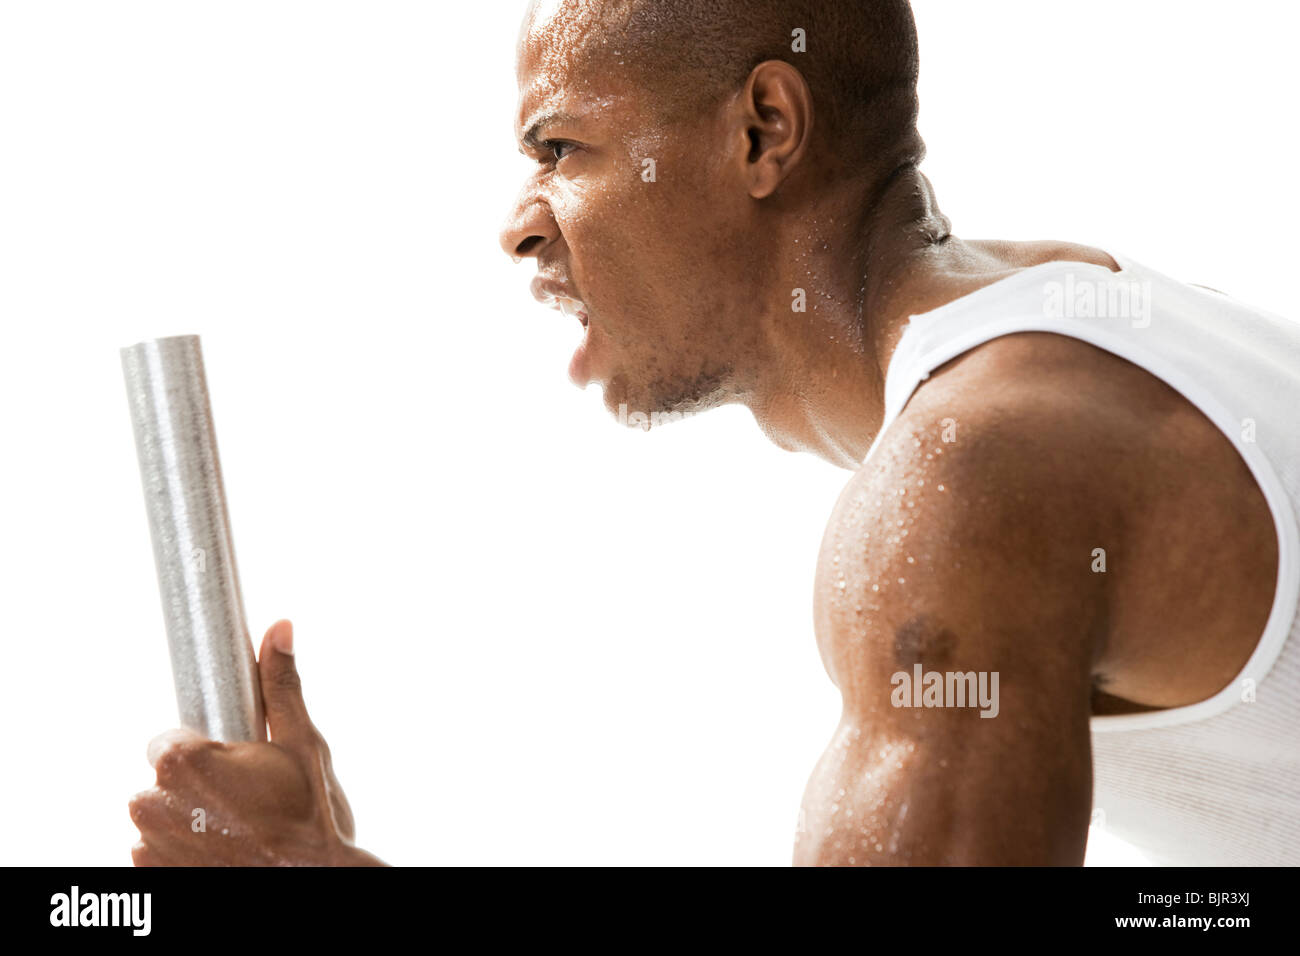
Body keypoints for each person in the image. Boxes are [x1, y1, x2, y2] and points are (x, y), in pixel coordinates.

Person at [130, 0, 1300, 866]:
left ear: (762, 130)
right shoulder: (1102, 311)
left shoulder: (968, 482)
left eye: (558, 150)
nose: (516, 227)